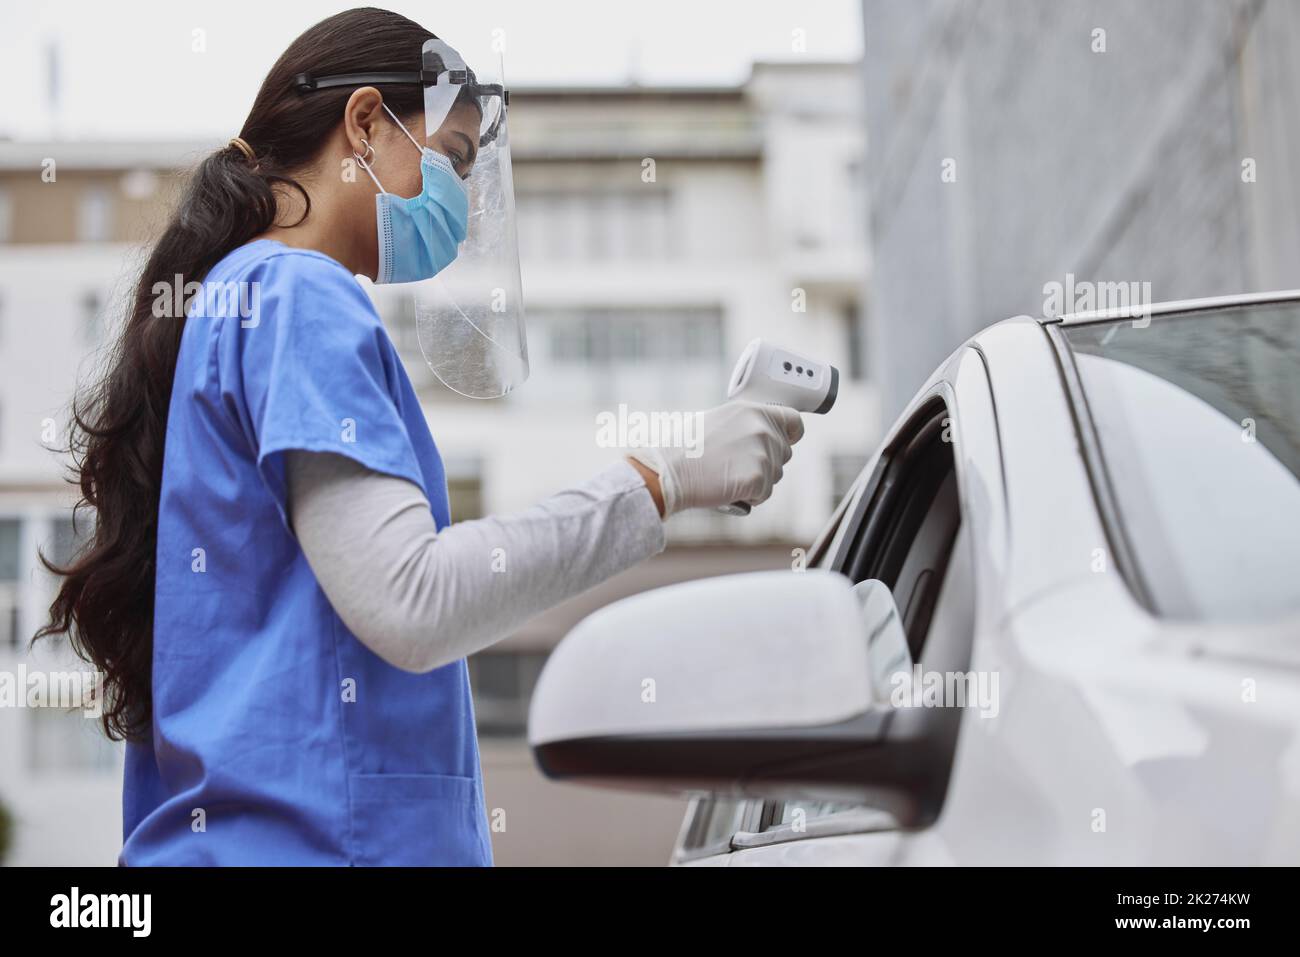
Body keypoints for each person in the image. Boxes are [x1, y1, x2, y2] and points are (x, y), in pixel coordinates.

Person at [37, 7, 803, 866]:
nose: (464, 204)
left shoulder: (233, 298)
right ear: (365, 121)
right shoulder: (300, 296)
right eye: (456, 160)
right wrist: (663, 479)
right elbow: (411, 599)